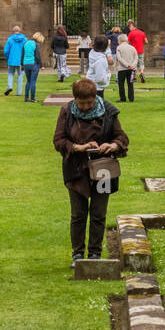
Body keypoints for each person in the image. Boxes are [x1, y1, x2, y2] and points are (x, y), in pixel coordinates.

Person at [52, 76, 129, 266]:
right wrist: (78, 147)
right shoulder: (67, 111)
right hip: (76, 170)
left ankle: (95, 253)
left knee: (98, 212)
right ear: (75, 99)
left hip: (103, 170)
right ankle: (77, 254)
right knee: (78, 214)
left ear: (95, 97)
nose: (86, 106)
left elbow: (121, 137)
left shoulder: (108, 111)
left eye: (90, 102)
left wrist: (112, 145)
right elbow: (58, 140)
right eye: (82, 103)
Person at [3, 25, 27, 96]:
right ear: (19, 31)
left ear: (13, 31)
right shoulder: (25, 39)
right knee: (20, 75)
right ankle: (19, 92)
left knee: (10, 74)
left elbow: (6, 51)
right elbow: (26, 50)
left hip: (12, 60)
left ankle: (10, 86)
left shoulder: (10, 39)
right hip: (21, 61)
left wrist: (8, 58)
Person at [115, 32, 138, 102]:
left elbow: (119, 58)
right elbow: (136, 58)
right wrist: (132, 65)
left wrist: (127, 65)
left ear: (120, 40)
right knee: (131, 84)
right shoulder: (132, 47)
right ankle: (131, 98)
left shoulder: (119, 47)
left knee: (121, 84)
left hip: (122, 69)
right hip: (132, 69)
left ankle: (123, 98)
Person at [22, 31, 44, 101]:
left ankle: (26, 97)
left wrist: (21, 64)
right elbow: (37, 56)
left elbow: (22, 55)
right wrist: (41, 65)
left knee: (28, 81)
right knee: (33, 81)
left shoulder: (25, 43)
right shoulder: (36, 44)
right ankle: (32, 98)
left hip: (26, 64)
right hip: (33, 64)